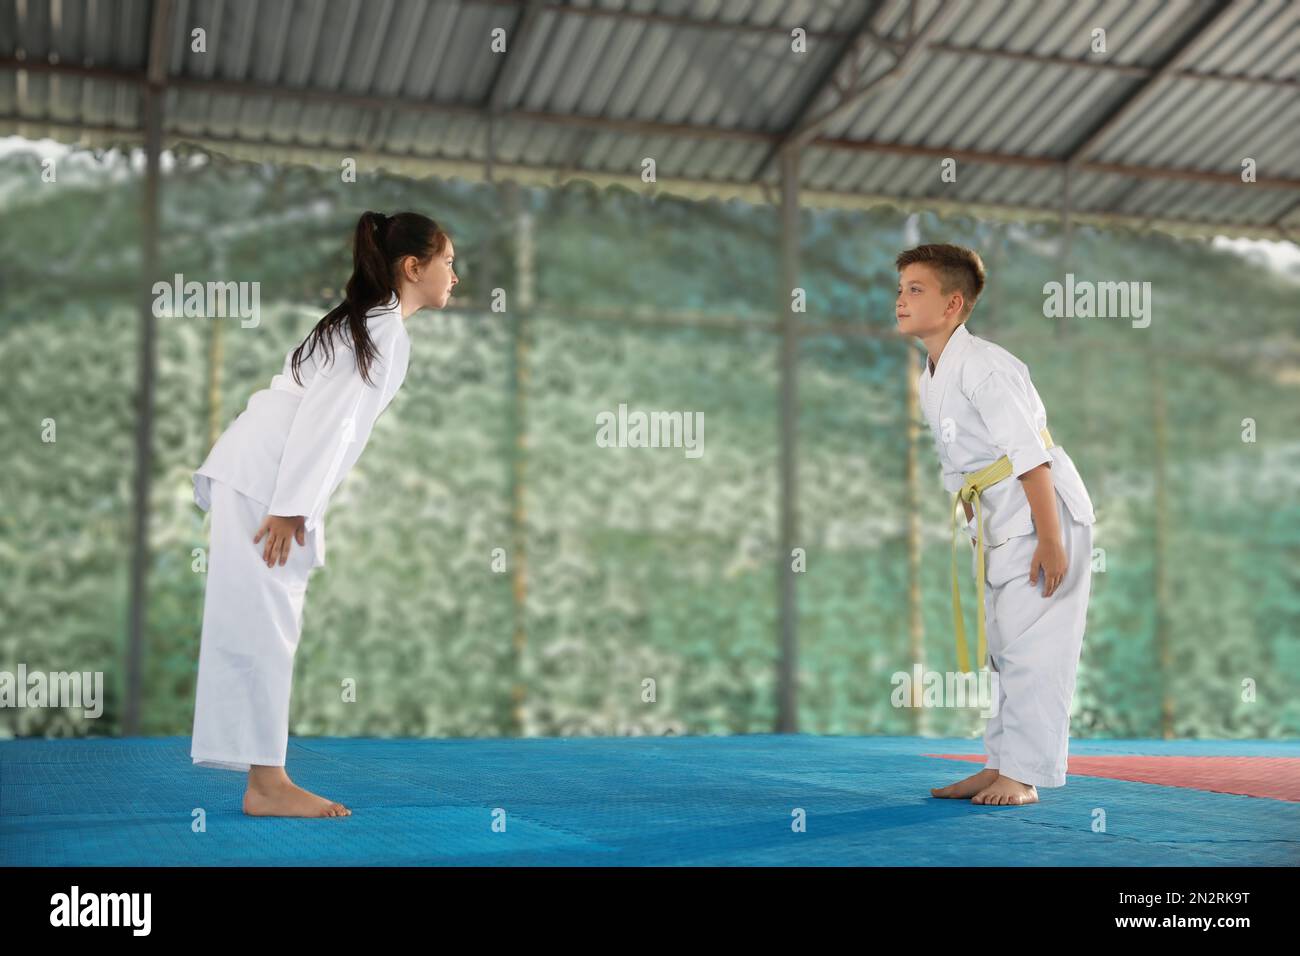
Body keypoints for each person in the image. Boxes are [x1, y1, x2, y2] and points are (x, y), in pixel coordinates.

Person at [190, 211, 457, 817]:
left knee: (257, 618)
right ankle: (267, 784)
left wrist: (294, 503)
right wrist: (290, 510)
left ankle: (264, 778)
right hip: (269, 479)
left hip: (259, 470)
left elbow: (326, 423)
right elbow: (327, 424)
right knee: (267, 621)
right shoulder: (381, 330)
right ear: (413, 267)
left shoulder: (365, 323)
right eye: (449, 261)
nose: (456, 276)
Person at [897, 243, 1095, 806]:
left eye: (917, 289)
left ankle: (1025, 777)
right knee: (1005, 650)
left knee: (1038, 654)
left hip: (1044, 520)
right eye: (901, 289)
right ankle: (1000, 765)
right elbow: (966, 461)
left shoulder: (985, 365)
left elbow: (1031, 457)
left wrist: (1052, 541)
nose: (902, 300)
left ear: (953, 303)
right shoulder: (934, 373)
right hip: (1001, 525)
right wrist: (969, 513)